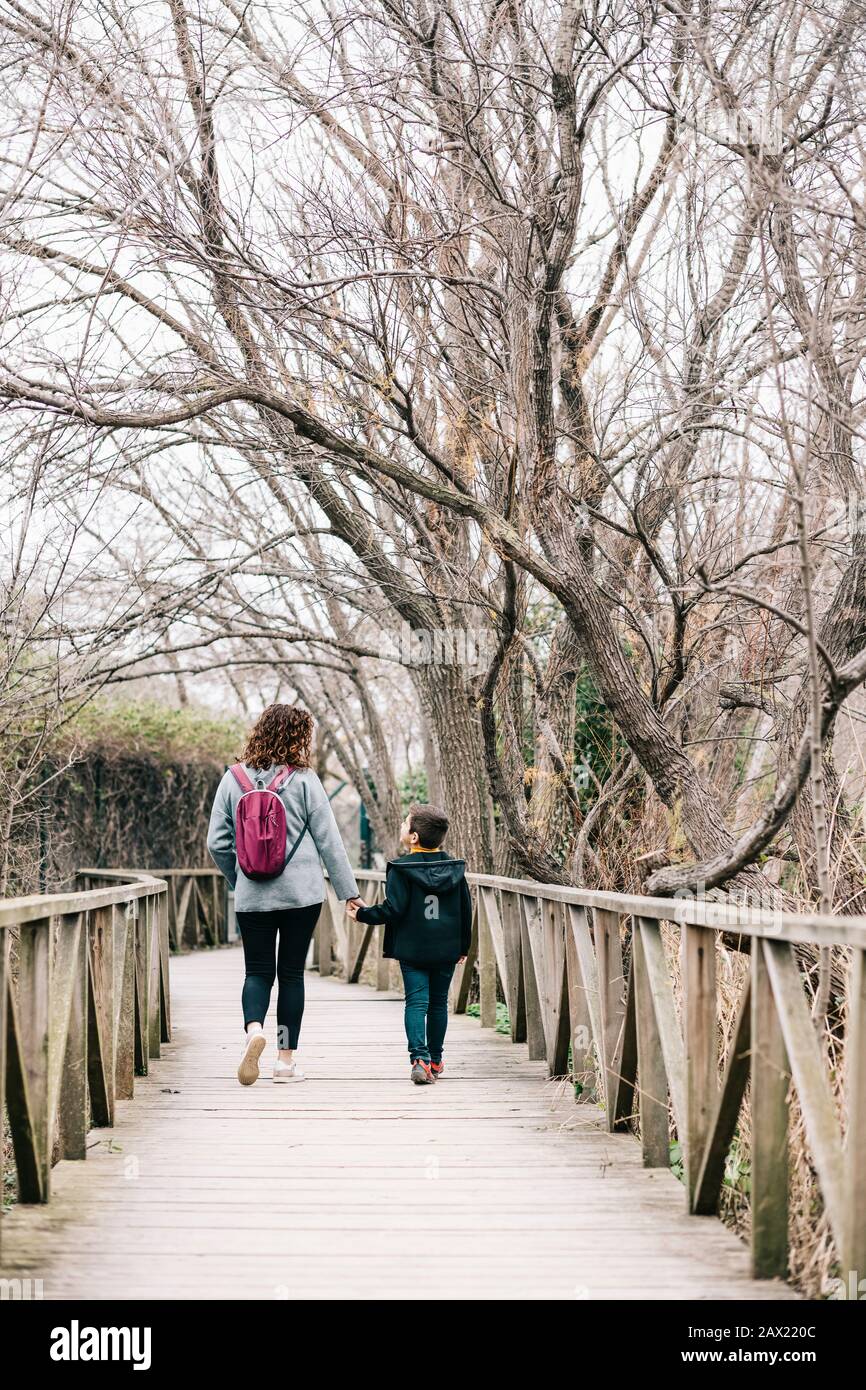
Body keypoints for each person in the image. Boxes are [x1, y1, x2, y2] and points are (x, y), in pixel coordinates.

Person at [207, 703, 362, 1085]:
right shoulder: (305, 780)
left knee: (257, 972)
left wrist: (241, 880)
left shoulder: (233, 779)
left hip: (252, 897)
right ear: (299, 738)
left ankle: (253, 1030)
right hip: (302, 896)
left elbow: (217, 843)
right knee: (291, 975)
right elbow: (329, 841)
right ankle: (284, 1060)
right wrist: (349, 893)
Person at [348, 803, 471, 1084]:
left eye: (406, 823)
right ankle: (436, 1060)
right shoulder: (455, 869)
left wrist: (363, 914)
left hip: (413, 948)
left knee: (416, 1002)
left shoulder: (401, 869)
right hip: (446, 947)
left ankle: (420, 1059)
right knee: (438, 1003)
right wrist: (464, 946)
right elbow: (466, 910)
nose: (403, 826)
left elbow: (394, 909)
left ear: (414, 837)